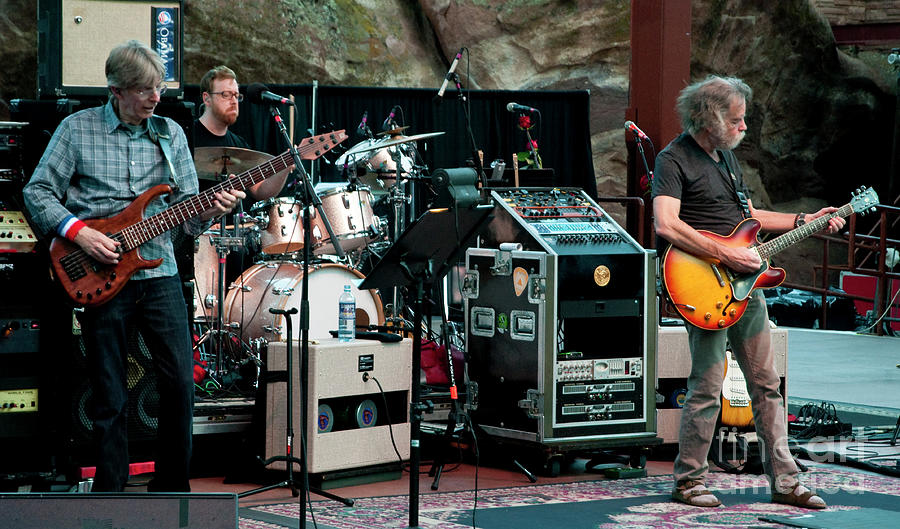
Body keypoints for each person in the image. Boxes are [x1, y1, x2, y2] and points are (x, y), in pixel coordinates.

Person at [23, 40, 245, 492]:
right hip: (98, 277)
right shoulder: (76, 129)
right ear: (116, 90)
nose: (154, 97)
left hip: (159, 274)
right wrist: (79, 232)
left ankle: (172, 493)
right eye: (143, 89)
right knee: (109, 395)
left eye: (157, 88)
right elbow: (37, 192)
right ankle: (111, 496)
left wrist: (211, 209)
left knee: (182, 384)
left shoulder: (171, 134)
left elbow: (185, 211)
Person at [652, 75, 845, 509]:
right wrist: (727, 254)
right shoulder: (674, 158)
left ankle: (786, 481)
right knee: (707, 383)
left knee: (766, 384)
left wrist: (804, 219)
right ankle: (689, 482)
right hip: (704, 287)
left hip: (746, 287)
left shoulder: (726, 159)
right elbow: (665, 224)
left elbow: (749, 215)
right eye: (737, 120)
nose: (744, 127)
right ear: (710, 118)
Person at [194, 65, 289, 201]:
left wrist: (284, 167)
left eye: (237, 96)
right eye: (226, 95)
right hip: (195, 221)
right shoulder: (185, 137)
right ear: (206, 98)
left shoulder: (239, 145)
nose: (233, 101)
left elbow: (260, 192)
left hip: (233, 223)